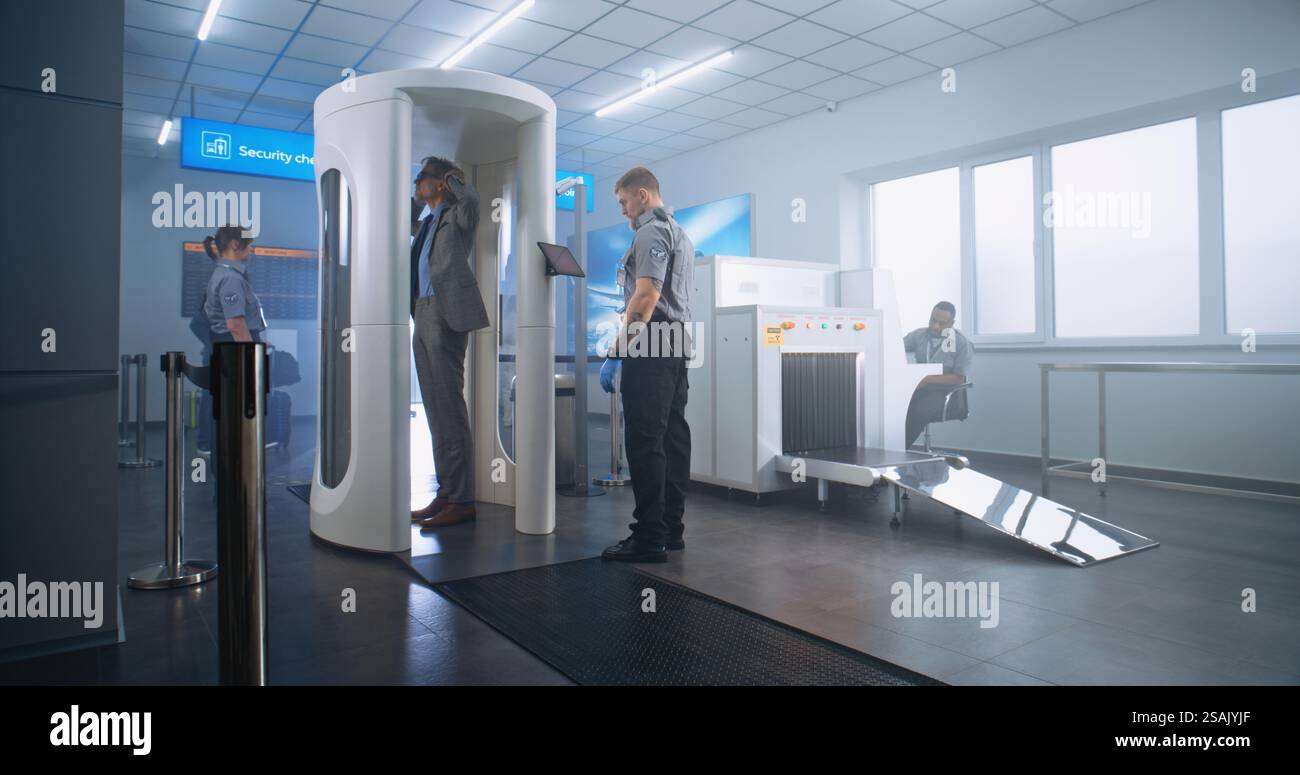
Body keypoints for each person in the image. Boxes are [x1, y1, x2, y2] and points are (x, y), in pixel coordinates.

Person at [599, 166, 695, 563]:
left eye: (623, 202)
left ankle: (648, 537)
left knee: (645, 439)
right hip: (677, 340)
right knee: (672, 437)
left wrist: (618, 352)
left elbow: (644, 299)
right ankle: (670, 530)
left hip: (653, 339)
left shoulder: (651, 231)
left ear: (642, 194)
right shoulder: (679, 232)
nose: (623, 211)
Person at [409, 156, 490, 528]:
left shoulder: (457, 214)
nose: (415, 184)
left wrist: (454, 179)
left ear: (441, 183)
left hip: (446, 311)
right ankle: (445, 492)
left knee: (450, 407)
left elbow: (473, 202)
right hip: (421, 311)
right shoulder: (426, 223)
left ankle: (462, 500)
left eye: (421, 178)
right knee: (434, 408)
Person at [198, 226, 265, 470]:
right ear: (235, 245)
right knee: (229, 412)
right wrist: (252, 358)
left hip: (230, 347)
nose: (253, 249)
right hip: (233, 351)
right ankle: (225, 462)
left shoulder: (228, 275)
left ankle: (224, 458)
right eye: (249, 244)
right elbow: (235, 324)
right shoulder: (230, 278)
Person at [902, 301, 974, 448]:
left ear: (952, 323)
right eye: (933, 321)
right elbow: (893, 346)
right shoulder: (919, 335)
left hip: (944, 392)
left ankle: (896, 450)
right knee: (892, 406)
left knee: (919, 411)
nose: (935, 326)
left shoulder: (961, 343)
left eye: (942, 323)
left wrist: (927, 380)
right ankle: (881, 449)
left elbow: (958, 377)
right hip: (919, 389)